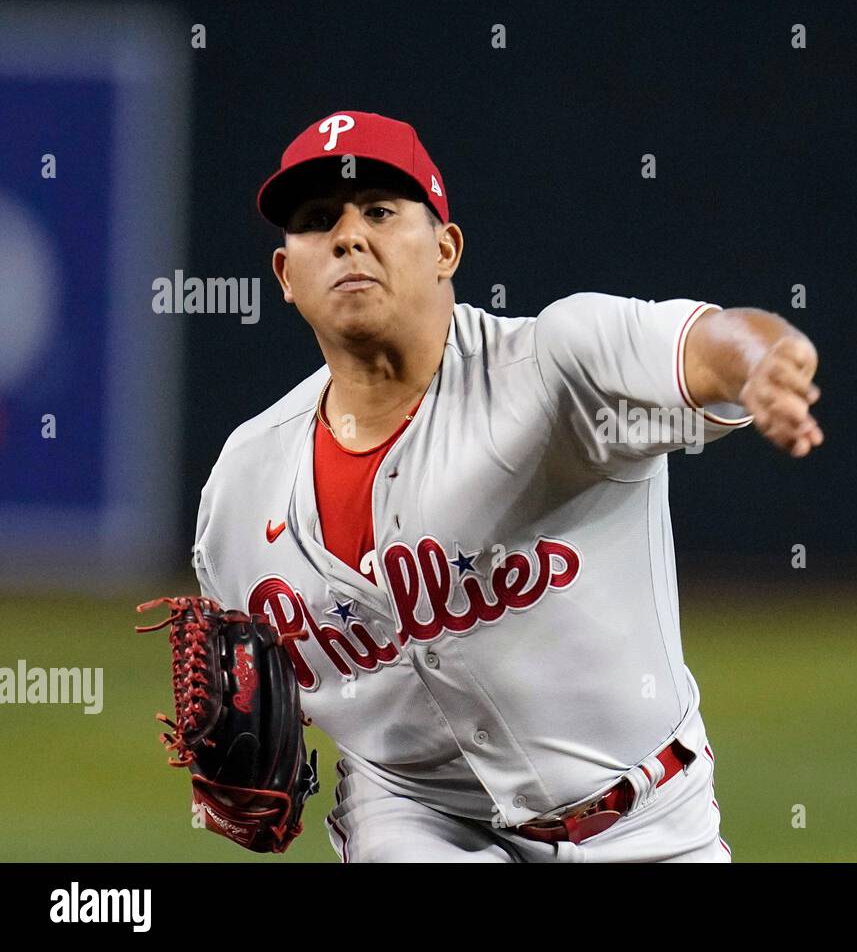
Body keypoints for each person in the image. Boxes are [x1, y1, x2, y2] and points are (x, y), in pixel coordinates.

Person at [192, 110, 823, 862]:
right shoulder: (240, 485)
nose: (349, 236)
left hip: (649, 824)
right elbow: (245, 689)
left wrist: (759, 363)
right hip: (413, 822)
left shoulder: (556, 369)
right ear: (287, 276)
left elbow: (702, 343)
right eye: (318, 220)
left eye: (382, 212)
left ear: (445, 250)